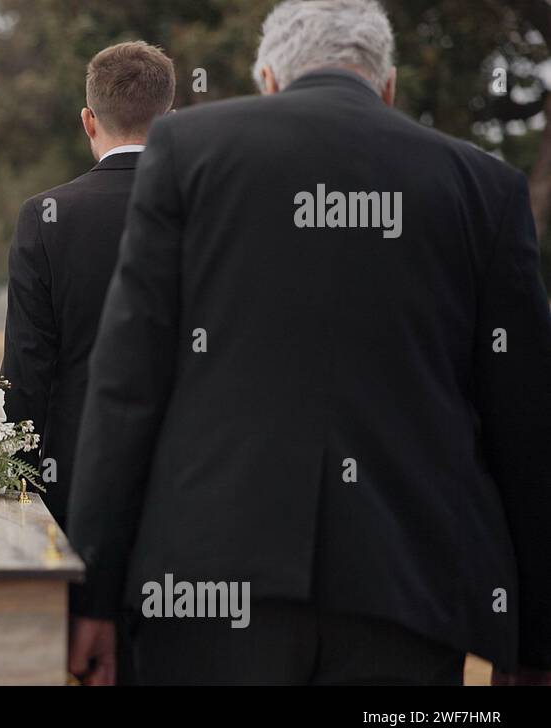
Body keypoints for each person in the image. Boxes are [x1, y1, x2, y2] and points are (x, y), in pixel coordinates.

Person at [67, 0, 551, 685]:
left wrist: (95, 596)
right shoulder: (486, 189)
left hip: (208, 591)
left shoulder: (184, 153)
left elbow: (126, 387)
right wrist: (534, 639)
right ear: (387, 86)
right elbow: (526, 428)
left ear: (268, 77)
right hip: (406, 600)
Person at [1, 41, 175, 529]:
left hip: (76, 475)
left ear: (88, 120)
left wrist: (15, 476)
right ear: (170, 118)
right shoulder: (209, 210)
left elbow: (27, 364)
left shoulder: (45, 217)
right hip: (190, 477)